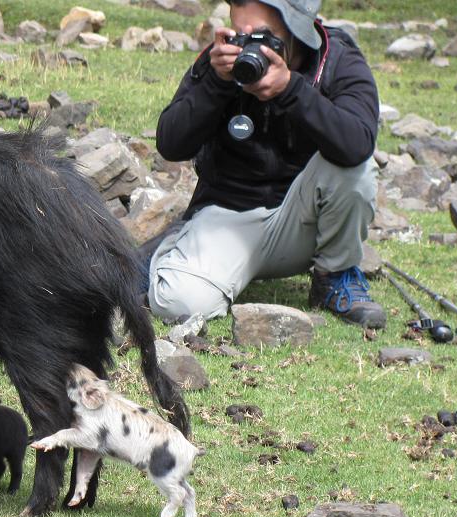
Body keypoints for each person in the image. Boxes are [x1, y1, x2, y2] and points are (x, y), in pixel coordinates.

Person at [148, 0, 385, 328]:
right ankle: (181, 253)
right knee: (177, 302)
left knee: (356, 170)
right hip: (227, 218)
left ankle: (334, 275)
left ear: (297, 32)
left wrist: (291, 90)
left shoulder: (338, 60)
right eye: (241, 35)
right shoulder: (220, 62)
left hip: (304, 221)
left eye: (264, 37)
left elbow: (358, 143)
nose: (251, 48)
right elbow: (170, 144)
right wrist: (216, 83)